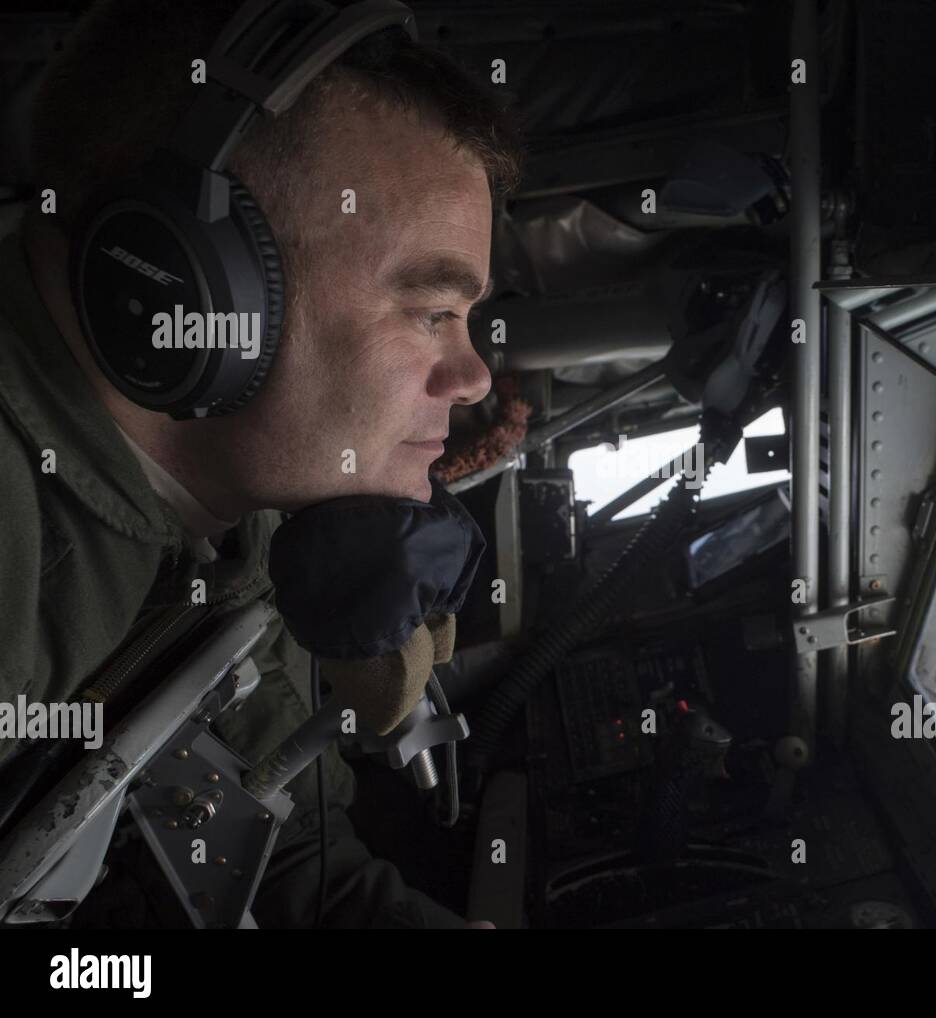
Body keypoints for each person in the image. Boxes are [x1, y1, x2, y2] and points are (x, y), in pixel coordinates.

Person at [0, 0, 523, 928]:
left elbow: (293, 864)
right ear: (192, 274)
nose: (475, 375)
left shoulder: (247, 512)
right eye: (431, 311)